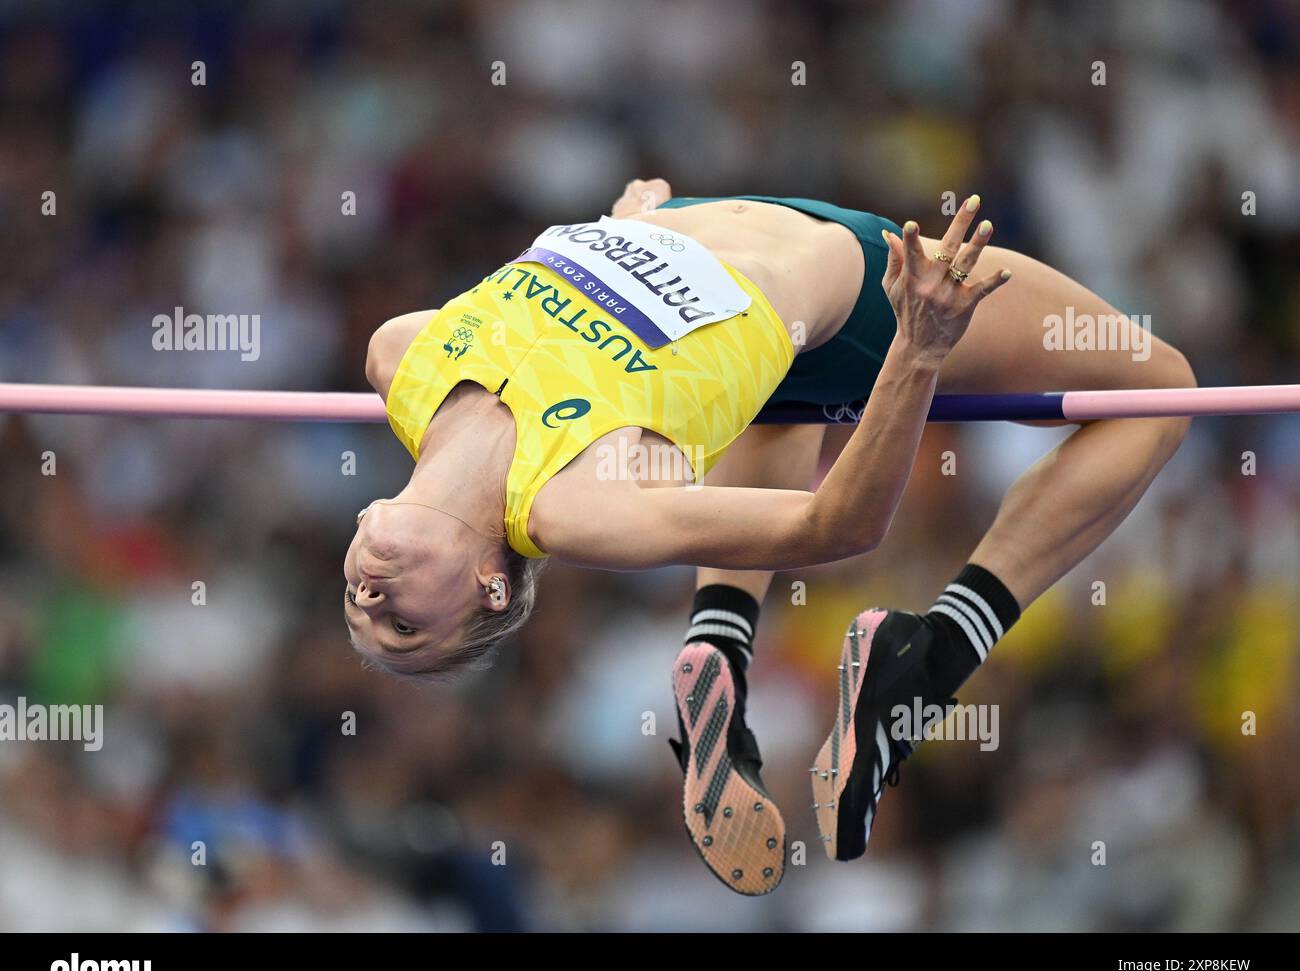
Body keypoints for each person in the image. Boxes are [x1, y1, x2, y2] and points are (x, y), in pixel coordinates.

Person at [347, 178, 1195, 895]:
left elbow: (551, 335)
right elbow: (838, 524)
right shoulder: (572, 506)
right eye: (406, 628)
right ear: (493, 585)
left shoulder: (401, 359)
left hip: (705, 252)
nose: (370, 604)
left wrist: (614, 234)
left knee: (764, 396)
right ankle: (933, 654)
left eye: (358, 609)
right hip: (844, 288)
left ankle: (722, 635)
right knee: (1160, 391)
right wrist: (917, 351)